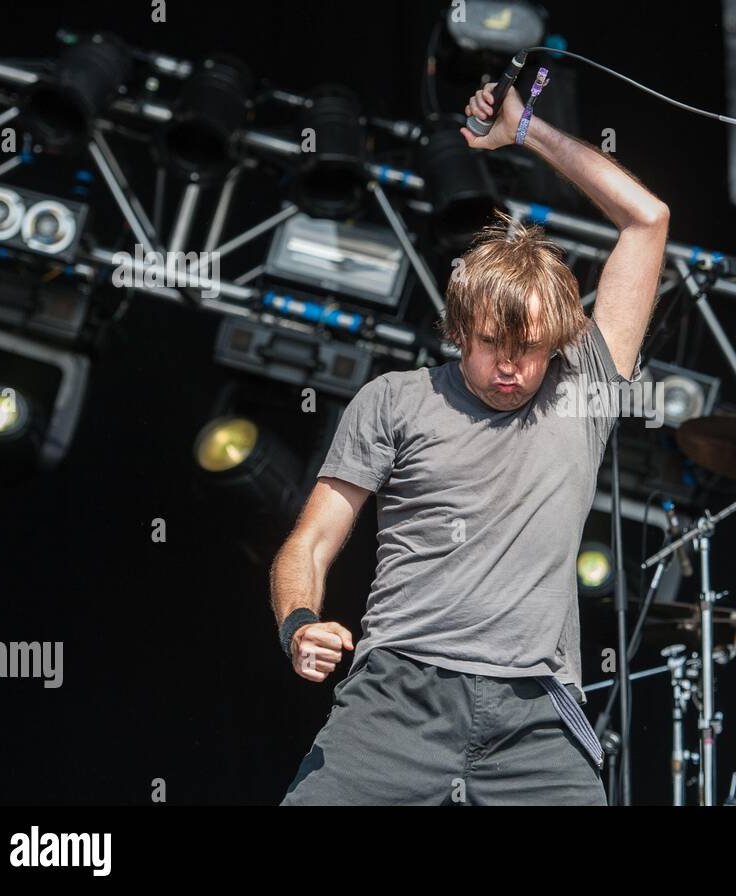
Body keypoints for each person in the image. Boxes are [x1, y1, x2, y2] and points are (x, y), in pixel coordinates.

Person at [271, 80, 670, 805]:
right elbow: (311, 541)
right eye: (492, 346)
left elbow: (647, 220)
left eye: (533, 349)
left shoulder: (583, 387)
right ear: (458, 331)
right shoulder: (394, 401)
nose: (513, 367)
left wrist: (527, 132)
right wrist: (300, 624)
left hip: (536, 716)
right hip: (399, 697)